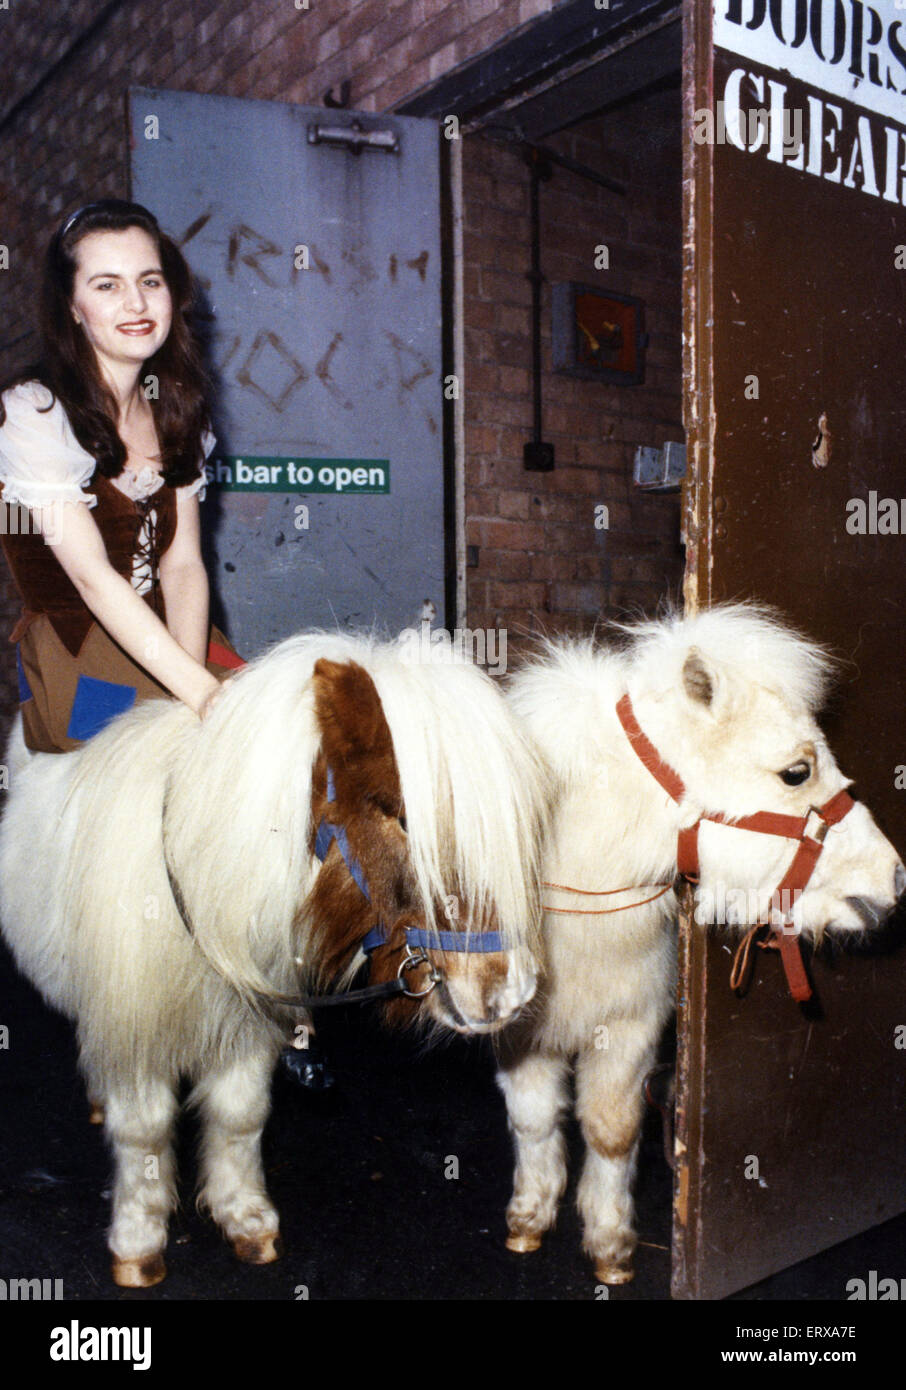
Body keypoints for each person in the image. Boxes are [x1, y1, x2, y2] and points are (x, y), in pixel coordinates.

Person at [0, 199, 243, 753]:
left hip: (174, 638)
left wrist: (192, 683)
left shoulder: (177, 408)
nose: (136, 303)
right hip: (81, 645)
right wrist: (202, 699)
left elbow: (181, 567)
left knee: (295, 728)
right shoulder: (34, 412)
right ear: (72, 306)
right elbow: (93, 580)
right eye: (106, 285)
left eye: (149, 281)